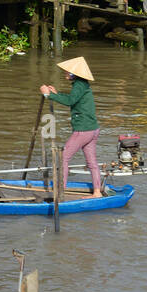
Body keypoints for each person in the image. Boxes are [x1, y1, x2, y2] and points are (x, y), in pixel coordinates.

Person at [40, 56, 103, 198]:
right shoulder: (81, 85)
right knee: (92, 162)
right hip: (92, 129)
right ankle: (97, 192)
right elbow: (73, 99)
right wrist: (57, 94)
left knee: (63, 158)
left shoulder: (79, 85)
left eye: (67, 72)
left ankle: (60, 190)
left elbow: (70, 101)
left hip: (83, 130)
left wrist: (48, 95)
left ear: (74, 74)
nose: (65, 73)